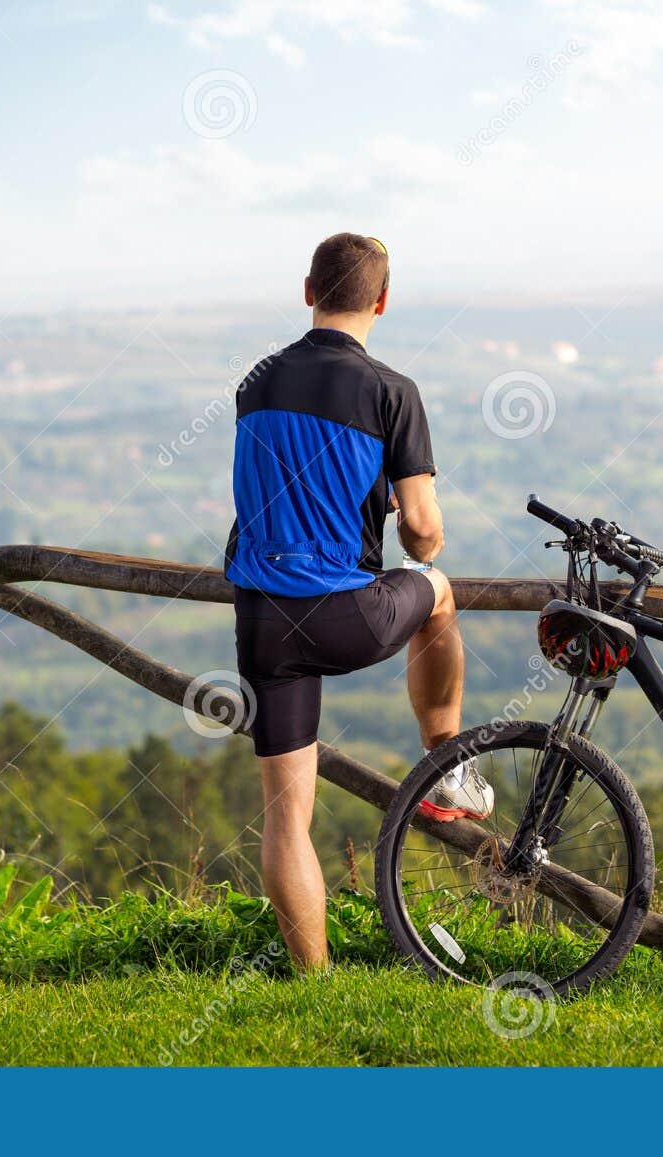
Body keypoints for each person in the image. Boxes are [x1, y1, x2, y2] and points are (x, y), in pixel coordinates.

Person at [225, 232, 493, 972]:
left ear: (308, 291)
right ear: (382, 301)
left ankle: (313, 979)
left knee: (287, 820)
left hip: (263, 619)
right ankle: (446, 767)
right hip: (345, 614)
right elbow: (424, 532)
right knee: (438, 590)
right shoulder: (391, 391)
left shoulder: (255, 382)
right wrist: (411, 532)